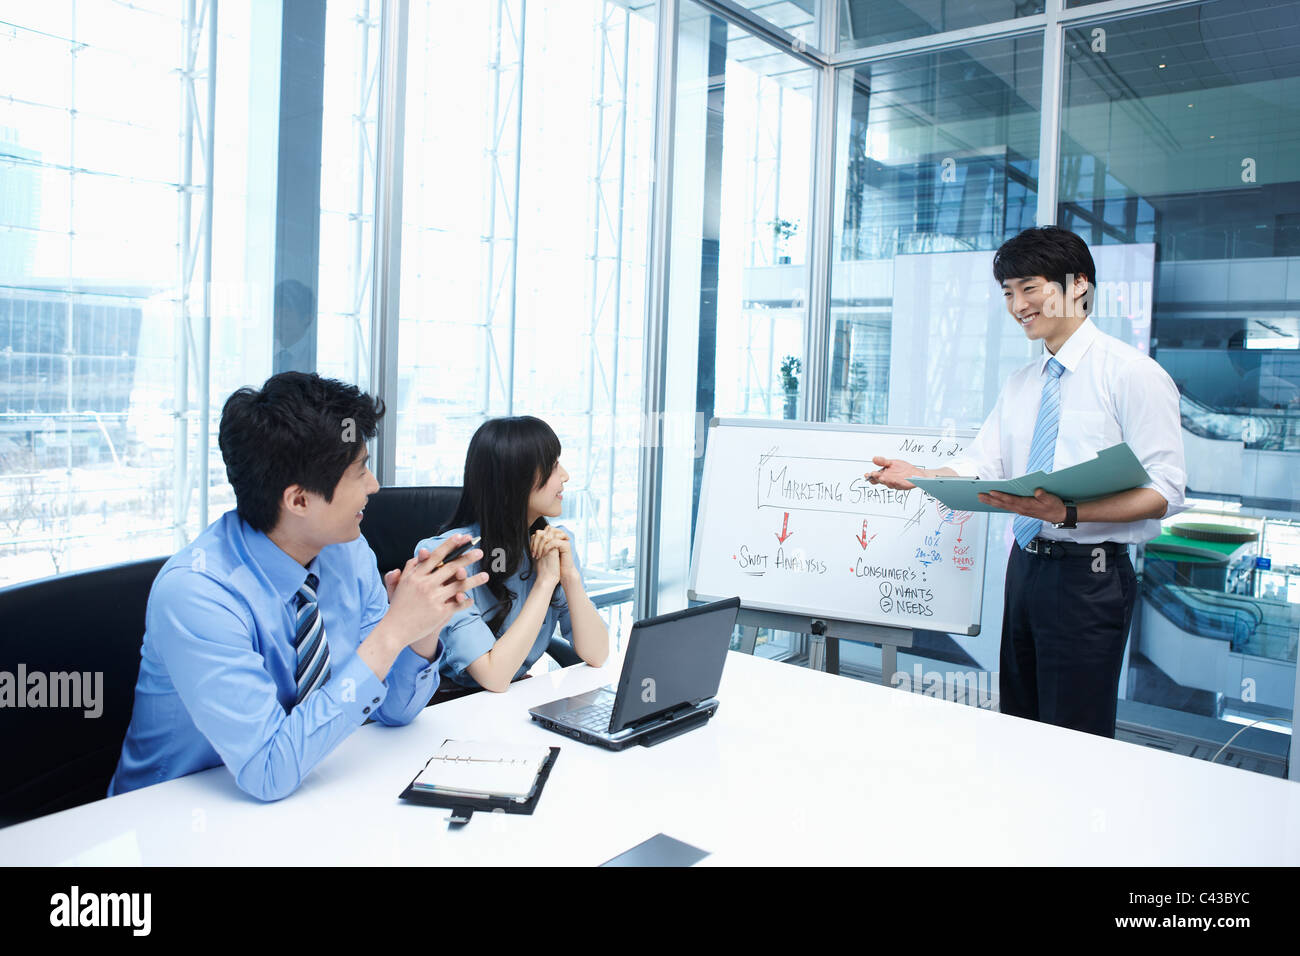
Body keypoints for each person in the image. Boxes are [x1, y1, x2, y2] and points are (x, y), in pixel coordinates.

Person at [868, 227, 1186, 738]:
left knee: (1073, 733)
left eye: (1029, 288)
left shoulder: (1132, 374)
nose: (1018, 305)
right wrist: (924, 478)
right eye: (1008, 293)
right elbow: (983, 462)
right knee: (1019, 725)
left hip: (1091, 576)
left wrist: (1070, 513)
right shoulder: (1022, 383)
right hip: (1027, 567)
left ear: (1078, 283)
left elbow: (1165, 493)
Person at [109, 372, 488, 800]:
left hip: (309, 786)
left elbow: (394, 710)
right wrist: (392, 633)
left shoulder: (347, 551)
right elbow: (267, 772)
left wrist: (422, 628)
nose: (374, 486)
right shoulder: (198, 594)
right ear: (299, 500)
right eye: (360, 470)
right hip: (174, 815)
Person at [415, 416, 609, 694]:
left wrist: (569, 577)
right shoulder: (447, 558)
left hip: (510, 701)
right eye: (553, 466)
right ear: (515, 480)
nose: (565, 475)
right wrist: (545, 582)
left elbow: (597, 653)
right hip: (449, 707)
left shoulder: (552, 544)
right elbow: (493, 676)